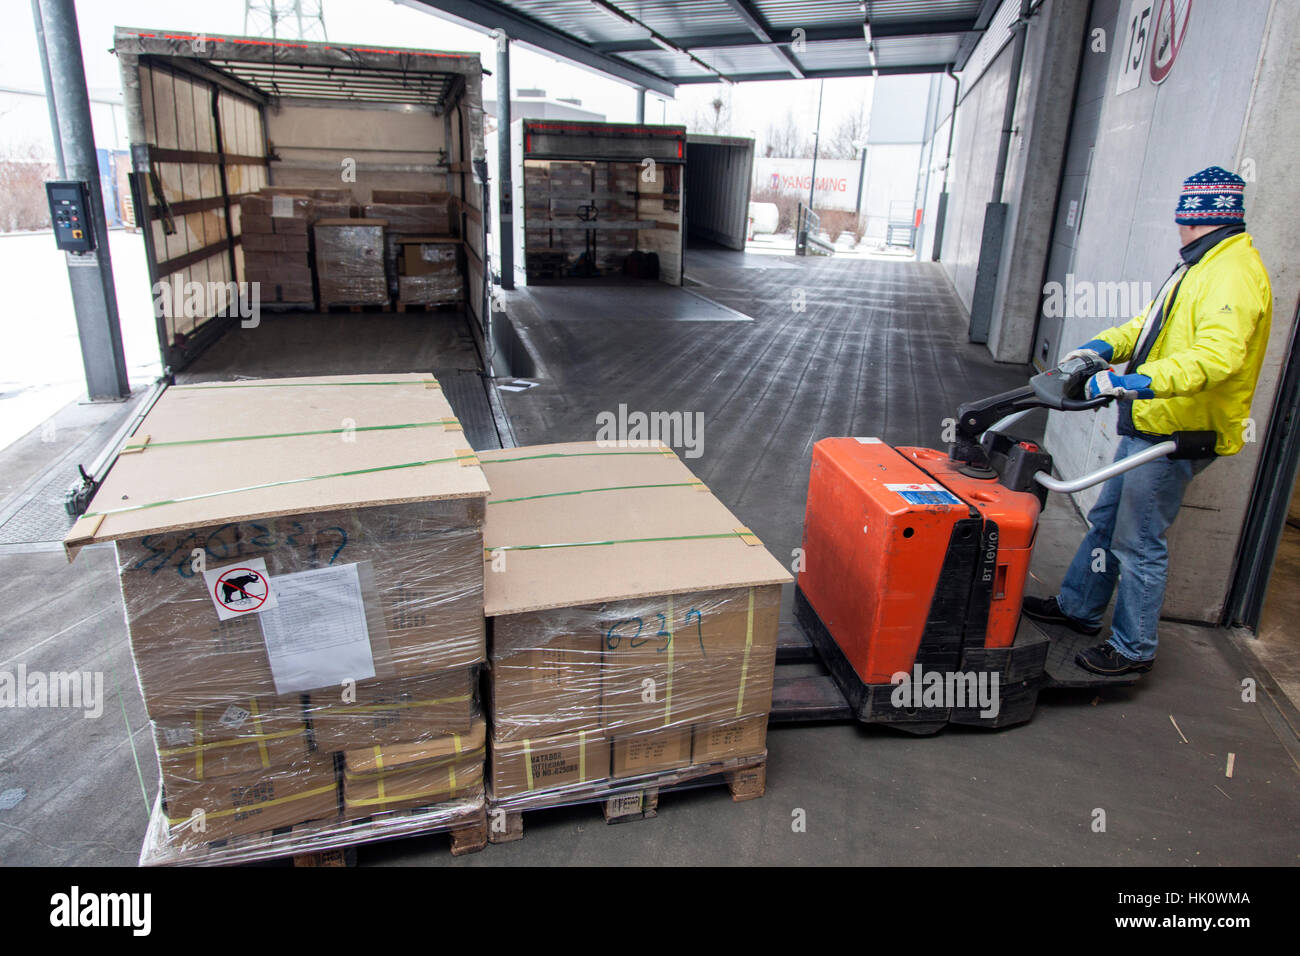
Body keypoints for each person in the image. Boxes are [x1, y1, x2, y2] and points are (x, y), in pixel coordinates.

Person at [1024, 166, 1272, 676]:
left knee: (1137, 541)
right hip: (1151, 422)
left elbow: (1218, 357)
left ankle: (1134, 648)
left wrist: (1135, 382)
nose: (1177, 222)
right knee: (1109, 522)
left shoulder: (1232, 273)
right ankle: (1079, 607)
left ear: (1196, 216)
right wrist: (1104, 347)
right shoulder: (1199, 265)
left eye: (1183, 212)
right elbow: (1150, 326)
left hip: (1174, 431)